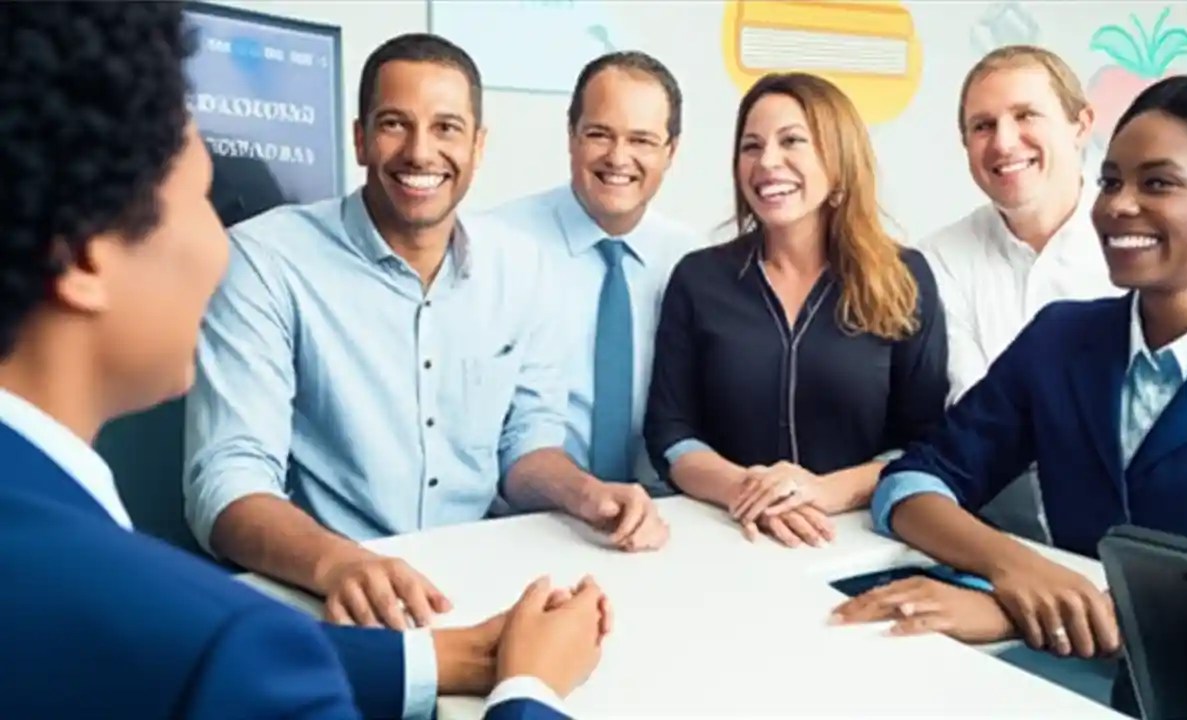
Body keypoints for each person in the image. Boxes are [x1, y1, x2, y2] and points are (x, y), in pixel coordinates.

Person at [0, 3, 608, 719]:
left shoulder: (49, 533)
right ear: (83, 255)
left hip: (456, 608)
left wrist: (456, 656)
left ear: (478, 144)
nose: (222, 243)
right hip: (328, 611)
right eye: (198, 201)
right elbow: (221, 620)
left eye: (446, 127)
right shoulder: (226, 645)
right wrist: (531, 687)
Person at [836, 69, 1187, 717]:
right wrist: (1012, 567)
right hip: (1061, 689)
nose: (1117, 206)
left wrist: (1016, 612)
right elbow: (914, 482)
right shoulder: (1062, 339)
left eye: (1158, 183)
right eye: (1111, 181)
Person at [184, 33, 664, 630]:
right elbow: (226, 483)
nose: (420, 152)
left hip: (473, 585)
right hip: (321, 594)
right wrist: (341, 565)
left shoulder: (522, 267)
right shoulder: (265, 260)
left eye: (446, 128)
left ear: (477, 145)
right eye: (394, 124)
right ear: (360, 138)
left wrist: (587, 494)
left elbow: (526, 443)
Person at [643, 72, 949, 548]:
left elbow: (926, 441)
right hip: (727, 533)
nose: (767, 162)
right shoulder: (698, 279)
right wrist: (745, 490)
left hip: (858, 538)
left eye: (791, 141)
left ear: (838, 158)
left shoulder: (905, 277)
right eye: (751, 146)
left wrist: (824, 491)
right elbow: (670, 432)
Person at [484, 51, 699, 527]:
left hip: (661, 521)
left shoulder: (692, 262)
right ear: (571, 136)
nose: (618, 158)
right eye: (600, 134)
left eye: (641, 140)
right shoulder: (494, 246)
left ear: (671, 151)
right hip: (521, 523)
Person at [917, 46, 1121, 543]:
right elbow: (972, 415)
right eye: (982, 126)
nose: (1004, 142)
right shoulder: (936, 259)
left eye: (1026, 115)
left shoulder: (1136, 246)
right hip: (989, 542)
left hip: (1130, 550)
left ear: (1081, 125)